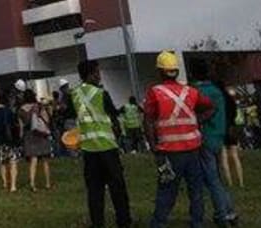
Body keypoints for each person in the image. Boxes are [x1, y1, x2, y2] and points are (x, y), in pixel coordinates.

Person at [144, 50, 215, 228]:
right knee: (196, 191)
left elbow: (148, 120)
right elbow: (211, 108)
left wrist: (153, 146)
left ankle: (158, 223)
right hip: (193, 149)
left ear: (160, 71)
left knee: (167, 191)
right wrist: (198, 121)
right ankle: (197, 223)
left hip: (169, 151)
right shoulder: (190, 91)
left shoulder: (155, 92)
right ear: (176, 70)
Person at [72, 60, 132, 228]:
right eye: (97, 72)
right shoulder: (101, 94)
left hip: (88, 150)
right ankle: (124, 221)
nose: (99, 76)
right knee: (117, 189)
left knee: (95, 191)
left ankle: (98, 223)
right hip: (107, 147)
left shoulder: (74, 95)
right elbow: (113, 116)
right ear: (91, 74)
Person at [190, 59, 238, 226]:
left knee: (211, 179)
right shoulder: (216, 90)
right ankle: (229, 209)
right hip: (218, 136)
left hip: (204, 137)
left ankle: (222, 214)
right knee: (216, 177)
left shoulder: (196, 91)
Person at [19, 90, 53, 192]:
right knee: (45, 160)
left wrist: (21, 137)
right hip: (41, 134)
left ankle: (32, 184)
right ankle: (47, 183)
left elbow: (21, 126)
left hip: (29, 135)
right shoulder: (38, 106)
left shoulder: (21, 109)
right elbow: (46, 119)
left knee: (33, 161)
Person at [0, 90, 20, 193]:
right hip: (9, 140)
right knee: (13, 161)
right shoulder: (8, 111)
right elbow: (15, 125)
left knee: (3, 162)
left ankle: (5, 182)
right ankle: (13, 185)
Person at [222, 87, 245, 189]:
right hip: (232, 129)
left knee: (224, 157)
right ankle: (241, 182)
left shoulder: (222, 106)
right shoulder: (234, 107)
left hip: (223, 129)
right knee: (235, 156)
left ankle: (229, 182)